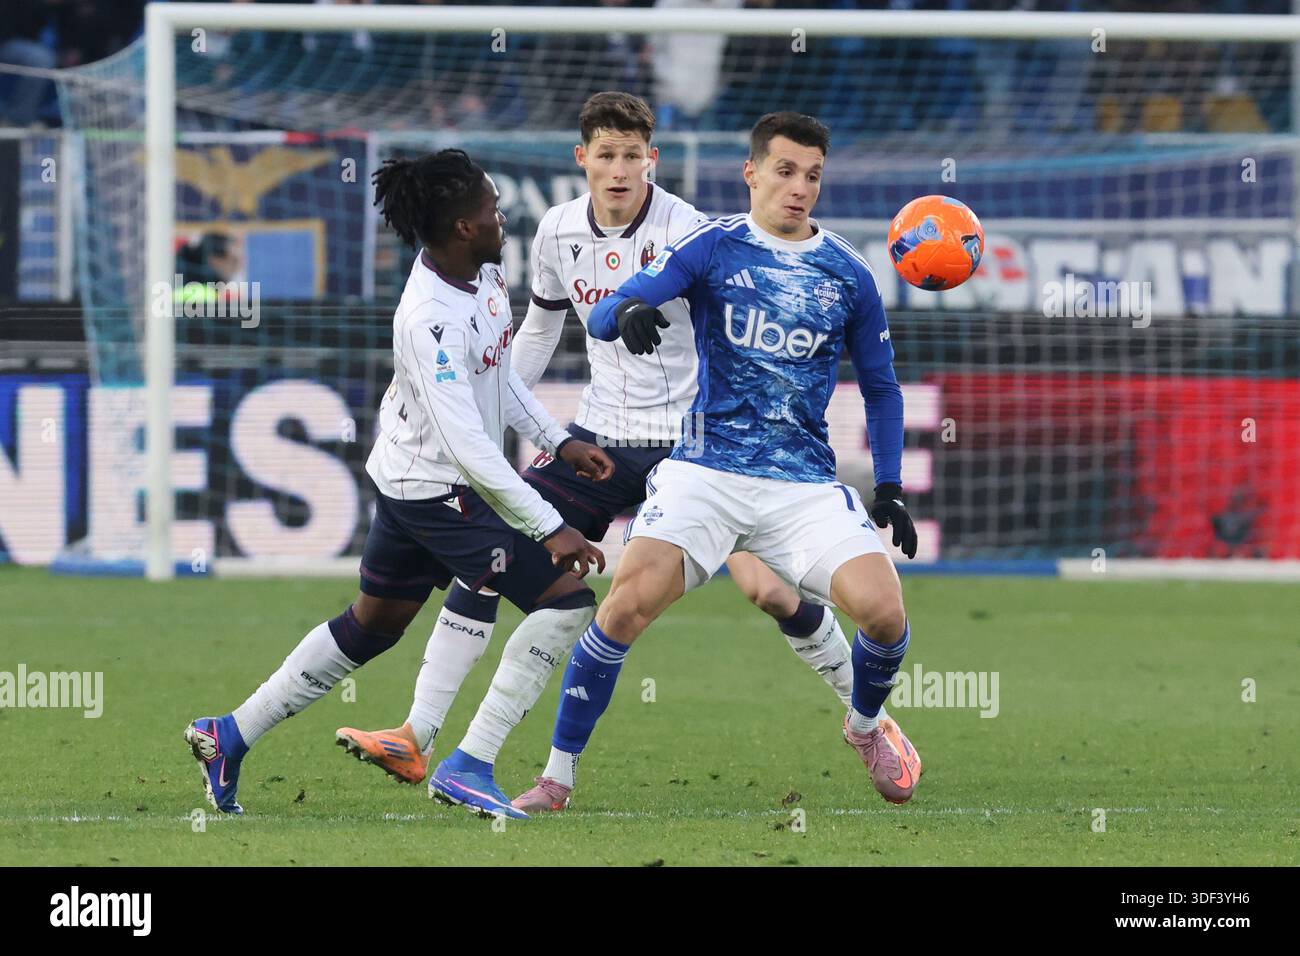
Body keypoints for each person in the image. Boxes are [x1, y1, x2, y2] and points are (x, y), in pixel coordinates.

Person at [335, 93, 865, 819]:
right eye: (606, 155)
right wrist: (499, 412)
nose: (620, 170)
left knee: (770, 592)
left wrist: (649, 304)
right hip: (600, 439)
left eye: (633, 155)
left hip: (693, 446)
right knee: (493, 559)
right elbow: (538, 334)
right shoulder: (555, 231)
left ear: (653, 158)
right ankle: (419, 734)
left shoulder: (688, 227)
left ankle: (869, 719)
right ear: (582, 159)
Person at [185, 149, 611, 816]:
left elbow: (498, 381)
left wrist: (559, 439)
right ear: (463, 229)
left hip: (415, 483)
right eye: (491, 209)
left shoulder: (486, 273)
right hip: (442, 495)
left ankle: (228, 734)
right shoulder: (428, 320)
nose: (501, 218)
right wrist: (549, 526)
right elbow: (469, 446)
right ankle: (469, 764)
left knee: (372, 625)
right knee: (567, 605)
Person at [535, 111, 924, 809]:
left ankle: (864, 726)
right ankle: (555, 779)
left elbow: (881, 389)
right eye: (784, 171)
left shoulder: (848, 274)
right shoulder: (712, 247)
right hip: (706, 471)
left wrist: (889, 484)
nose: (798, 188)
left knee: (886, 616)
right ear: (751, 173)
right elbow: (603, 309)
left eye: (812, 176)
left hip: (801, 482)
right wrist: (624, 314)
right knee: (622, 610)